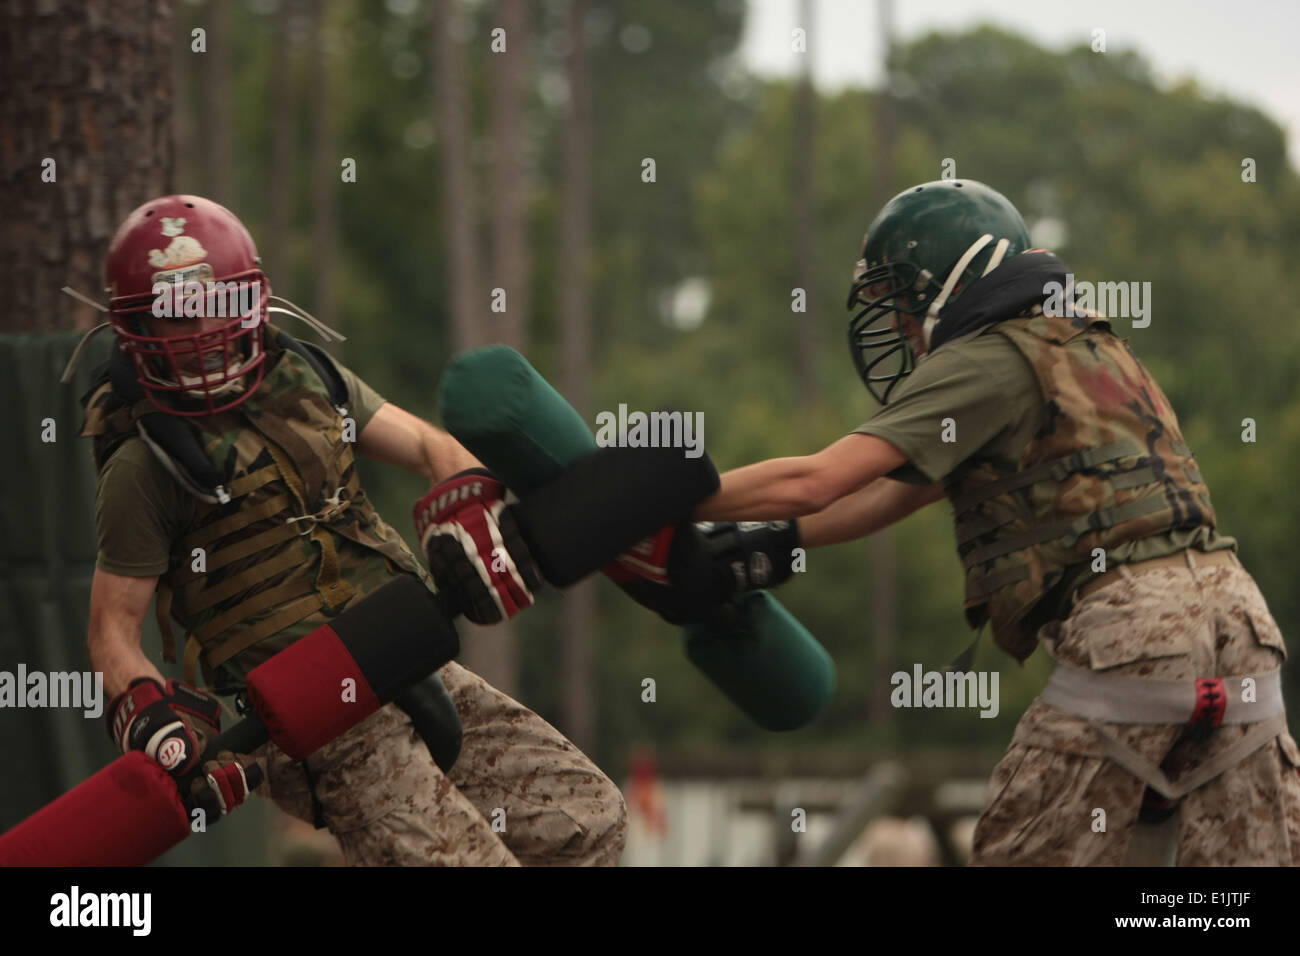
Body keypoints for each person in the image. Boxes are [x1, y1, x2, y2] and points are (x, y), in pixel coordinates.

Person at [691, 178, 1300, 866]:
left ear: (955, 273)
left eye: (902, 298)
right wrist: (783, 541)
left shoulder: (985, 357)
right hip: (1241, 625)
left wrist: (675, 499)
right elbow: (905, 490)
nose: (896, 323)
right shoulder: (1087, 346)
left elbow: (818, 478)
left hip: (1135, 632)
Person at [72, 194, 626, 866]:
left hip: (400, 649)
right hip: (310, 711)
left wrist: (468, 512)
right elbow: (111, 629)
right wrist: (148, 706)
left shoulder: (308, 378)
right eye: (176, 313)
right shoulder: (141, 467)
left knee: (588, 818)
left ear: (250, 303)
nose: (200, 329)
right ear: (139, 332)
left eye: (214, 305)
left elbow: (430, 446)